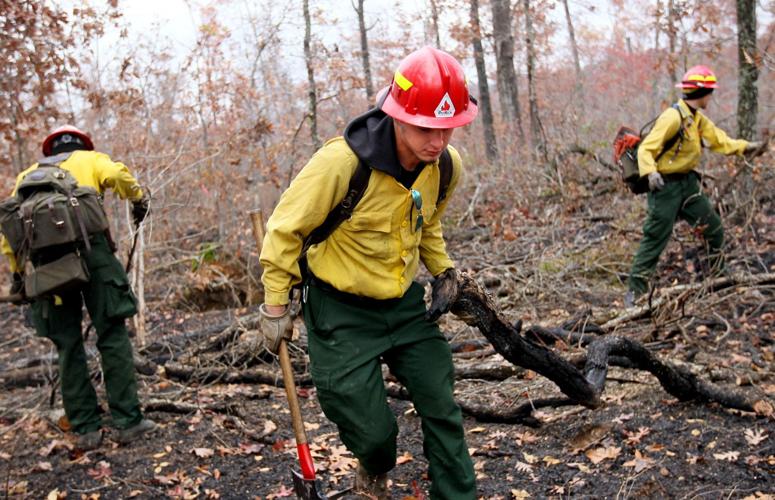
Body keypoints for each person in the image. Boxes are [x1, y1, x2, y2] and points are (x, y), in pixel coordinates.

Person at [258, 47, 478, 499]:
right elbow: (284, 229)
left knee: (442, 405)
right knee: (375, 436)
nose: (437, 142)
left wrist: (444, 271)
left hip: (403, 305)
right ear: (396, 116)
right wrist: (275, 305)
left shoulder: (446, 167)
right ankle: (373, 466)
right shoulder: (342, 164)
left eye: (447, 129)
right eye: (424, 128)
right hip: (340, 312)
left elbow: (427, 221)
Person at [1, 125, 156, 450]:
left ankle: (86, 429)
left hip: (48, 265)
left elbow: (11, 235)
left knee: (67, 344)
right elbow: (117, 175)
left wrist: (18, 276)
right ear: (82, 143)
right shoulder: (91, 159)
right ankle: (128, 422)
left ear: (49, 149)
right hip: (94, 254)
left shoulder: (28, 176)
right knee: (112, 335)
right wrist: (137, 198)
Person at [625, 65, 765, 307]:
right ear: (702, 92)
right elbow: (647, 148)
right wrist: (651, 173)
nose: (711, 97)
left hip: (688, 184)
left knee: (713, 228)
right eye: (710, 92)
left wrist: (748, 147)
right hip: (665, 187)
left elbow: (720, 141)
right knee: (656, 237)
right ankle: (636, 291)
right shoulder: (672, 117)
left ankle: (720, 278)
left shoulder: (697, 119)